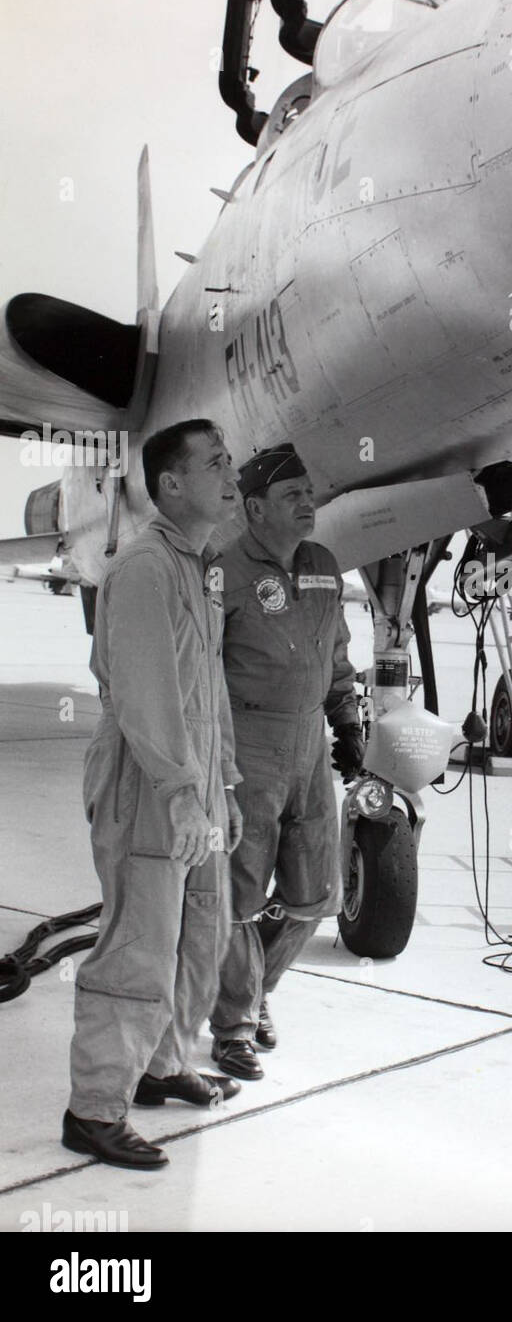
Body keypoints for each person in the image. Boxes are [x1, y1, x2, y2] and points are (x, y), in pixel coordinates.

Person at [63, 419, 245, 1171]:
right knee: (141, 943)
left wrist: (222, 784)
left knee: (203, 928)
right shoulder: (145, 566)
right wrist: (179, 790)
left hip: (191, 778)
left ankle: (161, 1066)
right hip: (150, 779)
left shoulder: (196, 566)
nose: (231, 473)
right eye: (215, 463)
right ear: (172, 484)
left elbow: (208, 688)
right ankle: (94, 1110)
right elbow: (143, 695)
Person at [210, 444, 364, 1080]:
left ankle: (255, 993)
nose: (308, 503)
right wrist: (215, 761)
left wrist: (347, 720)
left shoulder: (324, 565)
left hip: (308, 746)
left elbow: (335, 653)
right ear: (254, 509)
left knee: (313, 896)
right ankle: (233, 1026)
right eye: (291, 495)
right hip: (248, 745)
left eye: (308, 491)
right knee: (240, 897)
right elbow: (204, 670)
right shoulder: (223, 571)